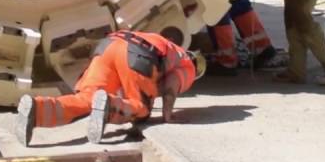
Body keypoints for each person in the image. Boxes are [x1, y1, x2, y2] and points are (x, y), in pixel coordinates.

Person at [15, 27, 205, 145]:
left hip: (110, 44)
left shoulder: (168, 46)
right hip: (138, 53)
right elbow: (171, 86)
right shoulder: (188, 65)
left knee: (88, 98)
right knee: (141, 109)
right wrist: (168, 116)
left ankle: (37, 109)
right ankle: (110, 108)